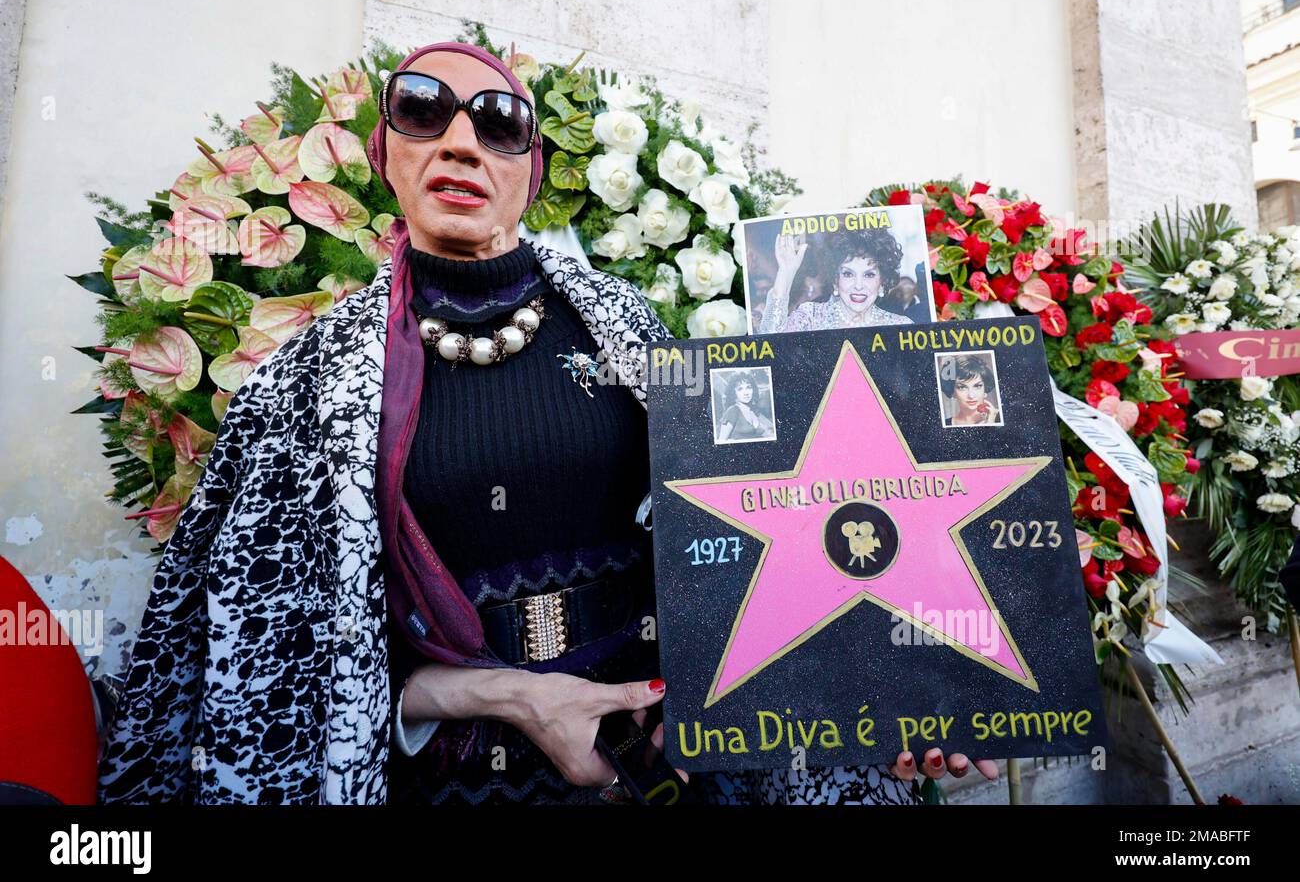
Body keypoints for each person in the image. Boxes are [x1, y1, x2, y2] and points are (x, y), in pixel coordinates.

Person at [97, 41, 993, 805]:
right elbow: (283, 656)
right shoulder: (303, 388)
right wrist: (507, 697)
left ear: (533, 169)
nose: (460, 141)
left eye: (497, 124)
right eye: (423, 110)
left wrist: (887, 691)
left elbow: (763, 540)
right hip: (448, 776)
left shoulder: (631, 330)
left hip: (662, 763)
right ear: (384, 152)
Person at [759, 229, 912, 333]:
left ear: (882, 283)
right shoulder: (811, 318)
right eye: (848, 274)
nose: (858, 286)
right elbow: (771, 343)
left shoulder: (900, 327)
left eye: (869, 275)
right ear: (835, 281)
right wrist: (786, 272)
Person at [940, 354, 1001, 426]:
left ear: (985, 388)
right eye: (962, 387)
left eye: (977, 386)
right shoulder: (944, 424)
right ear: (953, 392)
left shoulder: (999, 418)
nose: (971, 395)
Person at [716, 374, 774, 442]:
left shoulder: (753, 411)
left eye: (748, 387)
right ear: (734, 393)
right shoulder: (733, 411)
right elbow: (721, 441)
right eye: (740, 389)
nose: (746, 393)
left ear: (753, 389)